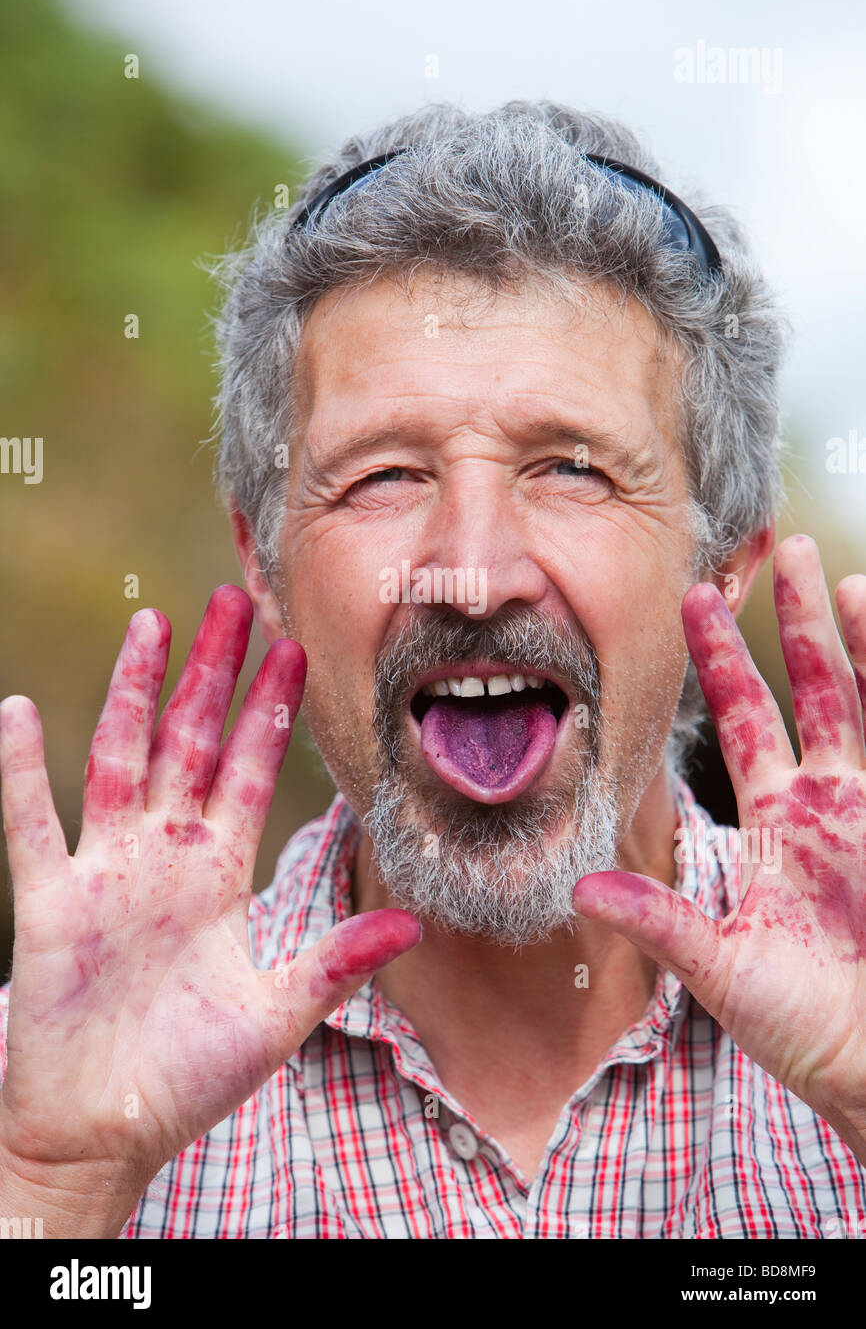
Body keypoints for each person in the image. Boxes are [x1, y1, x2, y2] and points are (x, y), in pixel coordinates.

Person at [1, 100, 865, 1240]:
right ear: (265, 562)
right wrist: (58, 1195)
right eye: (383, 476)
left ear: (722, 560)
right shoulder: (58, 1085)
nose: (469, 572)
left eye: (572, 468)